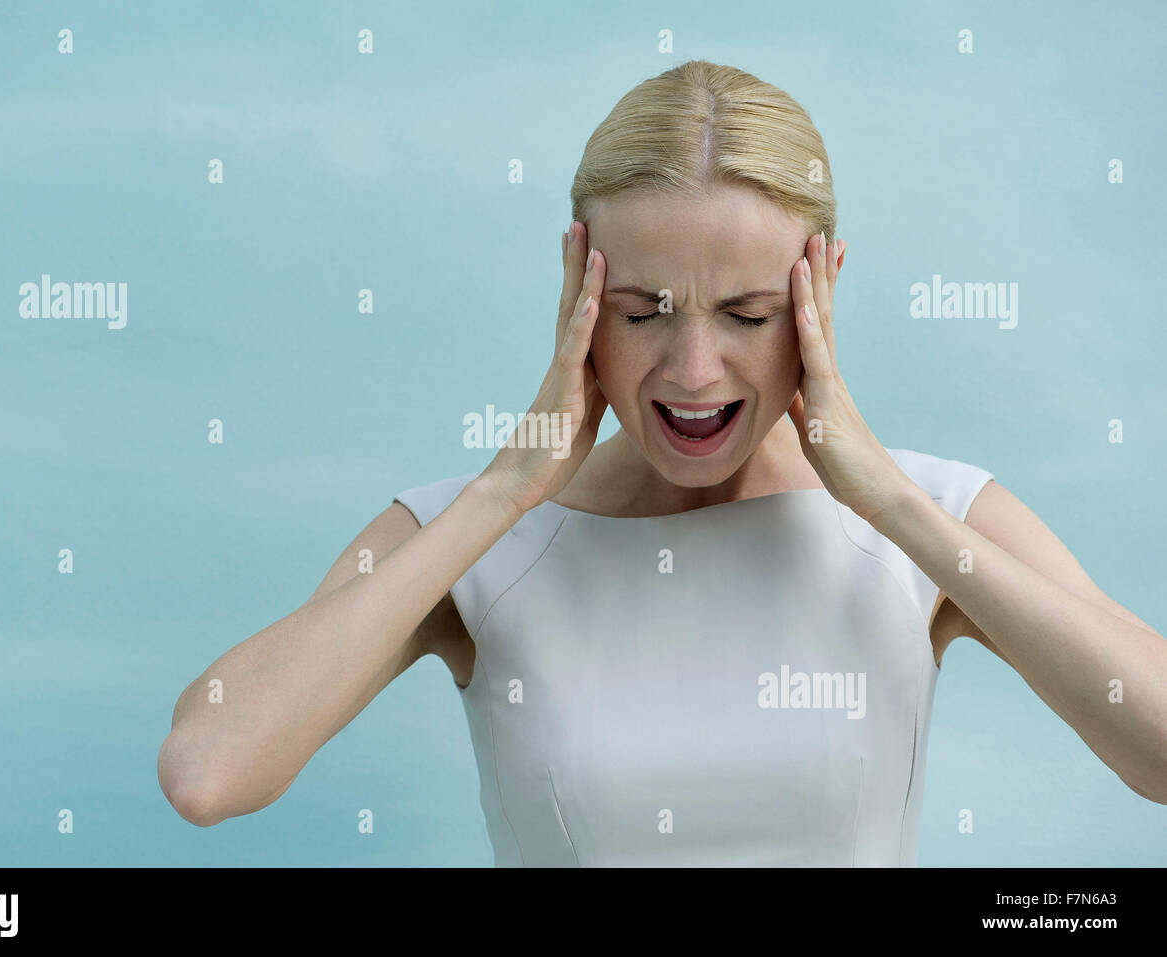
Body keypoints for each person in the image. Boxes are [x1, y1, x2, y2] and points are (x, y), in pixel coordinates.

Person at [157, 60, 1167, 865]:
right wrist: (508, 491)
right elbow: (208, 772)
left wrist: (886, 504)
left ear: (820, 296)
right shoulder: (461, 539)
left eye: (747, 315)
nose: (692, 371)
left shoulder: (934, 514)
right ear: (578, 300)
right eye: (642, 314)